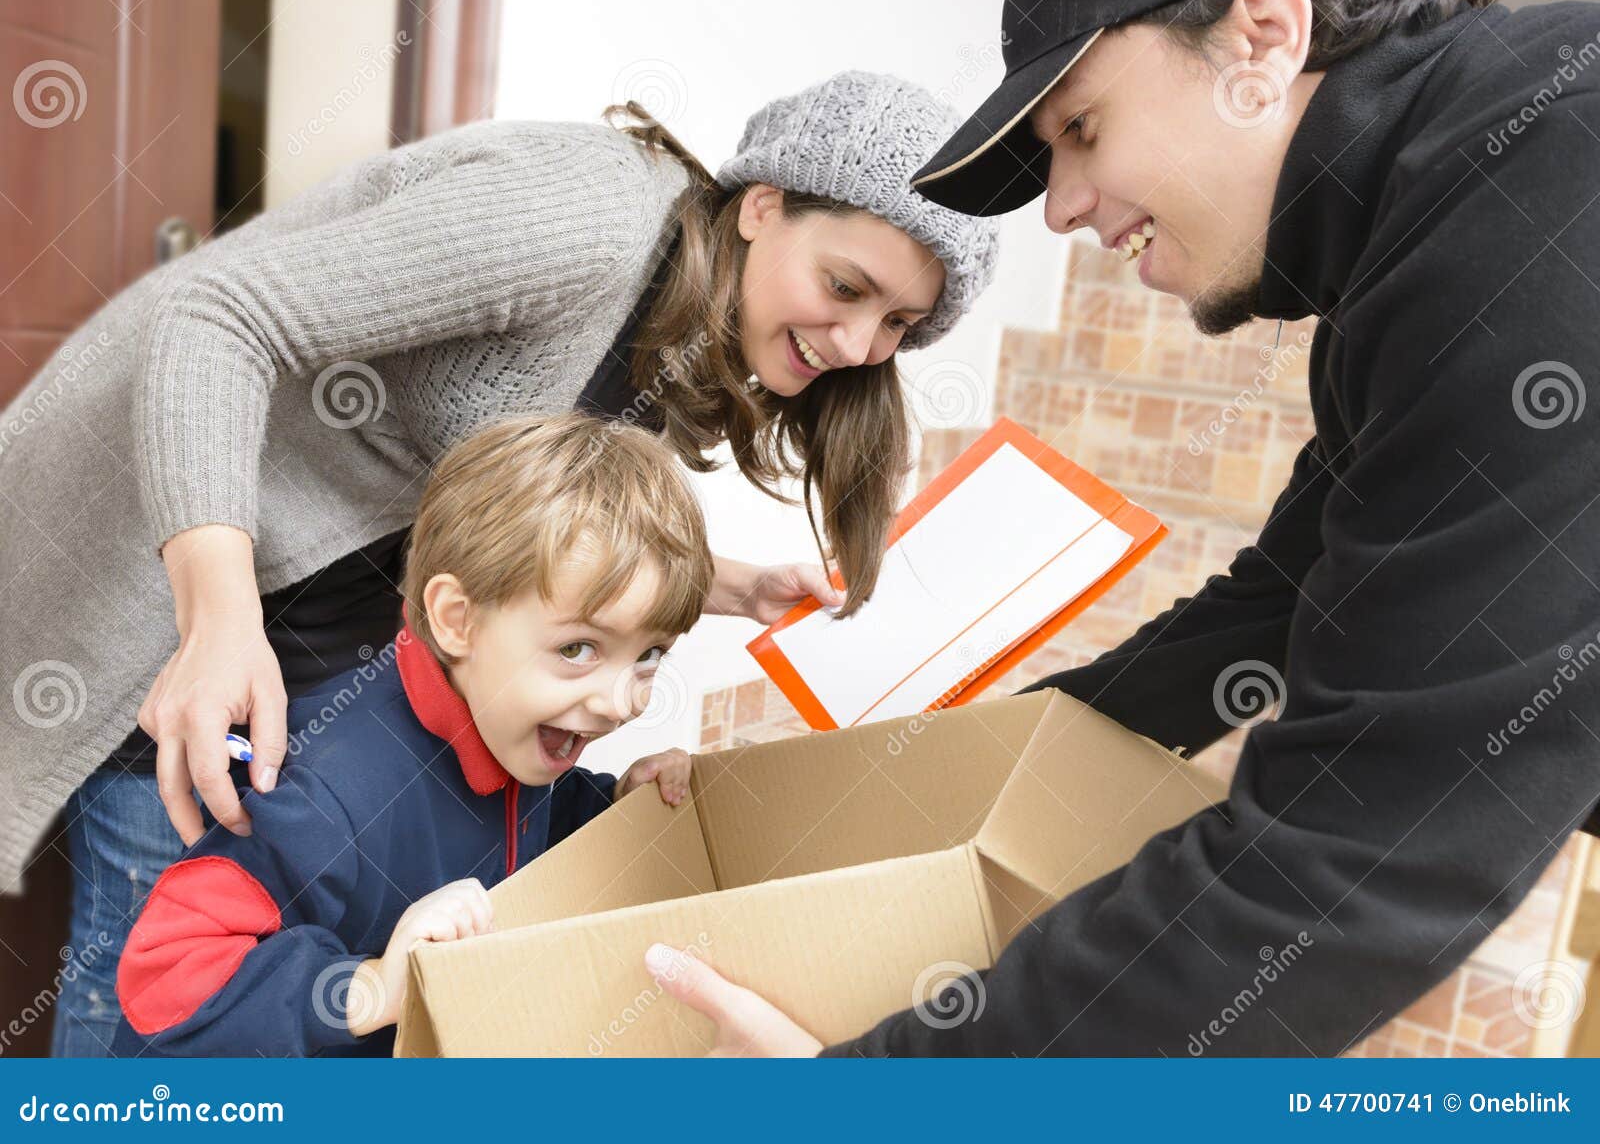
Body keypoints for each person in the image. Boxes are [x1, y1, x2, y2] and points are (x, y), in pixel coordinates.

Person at [649, 0, 1600, 1056]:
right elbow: (1262, 615)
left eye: (1082, 130)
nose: (1058, 207)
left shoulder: (1535, 195)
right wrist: (937, 784)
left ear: (1263, 32)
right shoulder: (1424, 235)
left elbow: (1356, 858)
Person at [0, 69, 999, 1055]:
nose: (862, 341)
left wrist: (722, 583)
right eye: (845, 287)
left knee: (300, 974)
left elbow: (504, 467)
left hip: (318, 616)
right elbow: (215, 319)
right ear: (763, 209)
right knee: (158, 1009)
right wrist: (218, 618)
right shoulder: (582, 221)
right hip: (169, 566)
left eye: (900, 326)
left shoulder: (693, 319)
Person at [112, 413, 708, 1056]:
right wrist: (368, 988)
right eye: (579, 648)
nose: (624, 700)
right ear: (457, 621)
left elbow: (519, 825)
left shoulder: (509, 726)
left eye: (650, 656)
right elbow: (164, 980)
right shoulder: (331, 798)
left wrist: (615, 804)